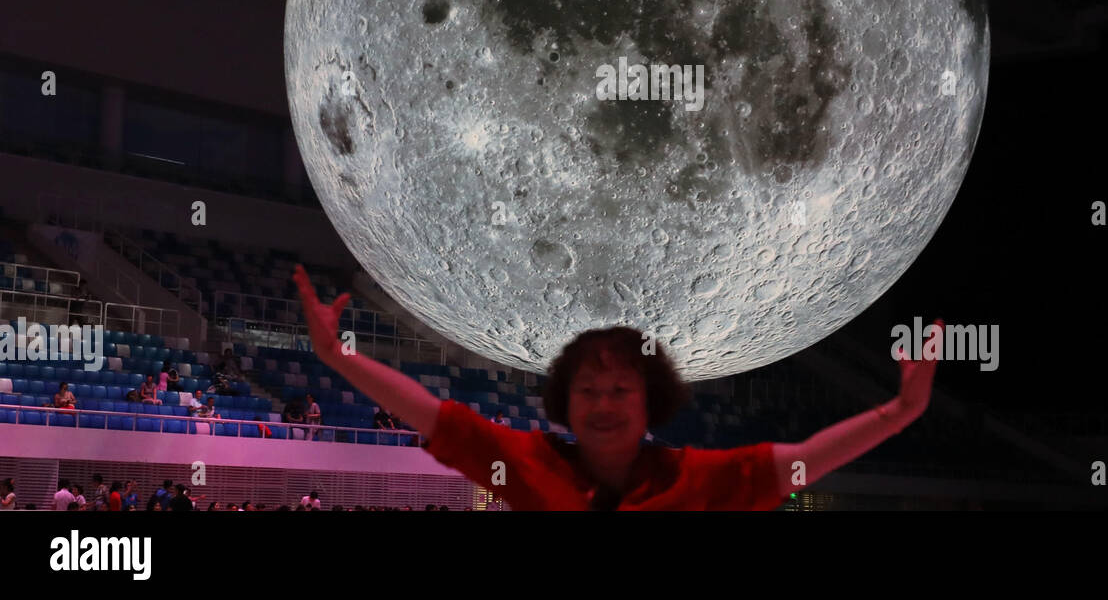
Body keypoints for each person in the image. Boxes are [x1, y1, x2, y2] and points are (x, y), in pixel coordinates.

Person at [294, 263, 940, 511]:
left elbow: (800, 464)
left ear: (650, 399)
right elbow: (433, 417)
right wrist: (335, 354)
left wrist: (899, 411)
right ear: (563, 402)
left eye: (620, 390)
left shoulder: (700, 480)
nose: (603, 403)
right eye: (588, 389)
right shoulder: (527, 464)